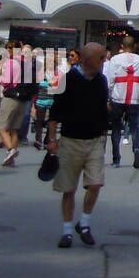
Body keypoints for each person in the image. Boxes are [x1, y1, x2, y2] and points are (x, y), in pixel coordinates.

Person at [45, 42, 111, 248]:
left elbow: (102, 108)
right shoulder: (70, 79)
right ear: (88, 59)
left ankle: (84, 222)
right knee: (69, 188)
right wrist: (52, 139)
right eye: (100, 58)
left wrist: (104, 131)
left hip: (94, 140)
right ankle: (67, 232)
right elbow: (55, 112)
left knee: (95, 183)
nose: (103, 61)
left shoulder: (101, 80)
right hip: (70, 140)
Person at [103, 35, 139, 168]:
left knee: (116, 128)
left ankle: (116, 158)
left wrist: (109, 96)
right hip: (134, 98)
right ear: (135, 46)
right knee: (135, 126)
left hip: (118, 97)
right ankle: (136, 148)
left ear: (122, 46)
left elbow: (110, 80)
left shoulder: (115, 59)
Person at [0, 42, 37, 167]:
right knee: (14, 129)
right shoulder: (32, 65)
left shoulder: (12, 62)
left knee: (1, 127)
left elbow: (6, 80)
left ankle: (10, 150)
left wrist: (3, 83)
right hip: (24, 100)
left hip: (11, 97)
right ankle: (11, 160)